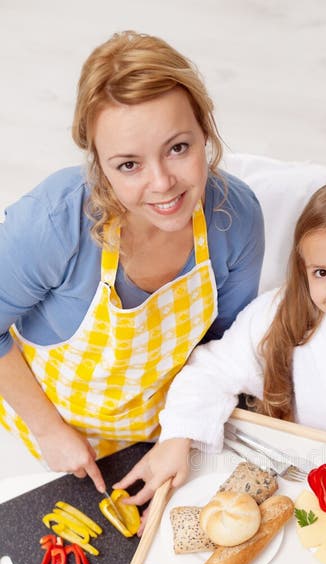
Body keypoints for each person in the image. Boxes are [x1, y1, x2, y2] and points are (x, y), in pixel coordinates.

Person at [0, 31, 264, 491]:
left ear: (205, 129)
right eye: (128, 165)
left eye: (178, 147)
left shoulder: (235, 219)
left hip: (164, 428)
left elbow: (224, 348)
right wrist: (48, 430)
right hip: (54, 427)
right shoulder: (52, 223)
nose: (162, 183)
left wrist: (181, 434)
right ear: (98, 164)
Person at [116, 173, 326, 505]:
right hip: (298, 488)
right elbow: (211, 370)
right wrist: (179, 434)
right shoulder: (281, 314)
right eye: (321, 273)